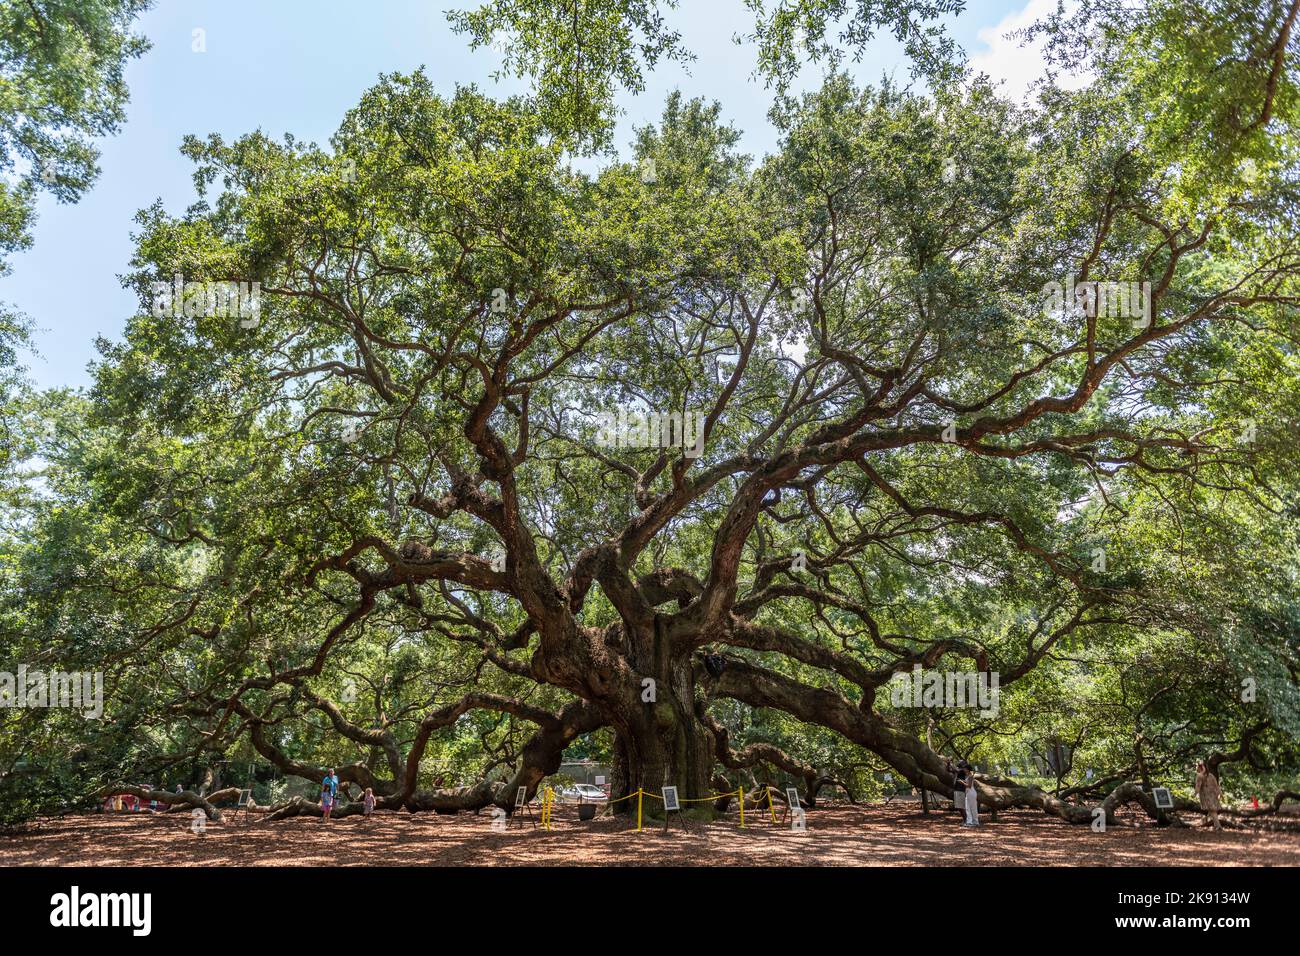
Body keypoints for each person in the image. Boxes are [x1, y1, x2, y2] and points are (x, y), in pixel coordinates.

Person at [1195, 761, 1223, 831]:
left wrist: (1195, 794)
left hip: (1206, 795)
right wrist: (1220, 793)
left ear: (1201, 767)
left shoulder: (1200, 776)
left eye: (1198, 766)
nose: (1196, 768)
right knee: (1212, 810)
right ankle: (1211, 823)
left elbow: (1198, 787)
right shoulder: (1211, 775)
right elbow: (1217, 785)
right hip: (1213, 795)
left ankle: (1218, 826)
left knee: (1212, 811)